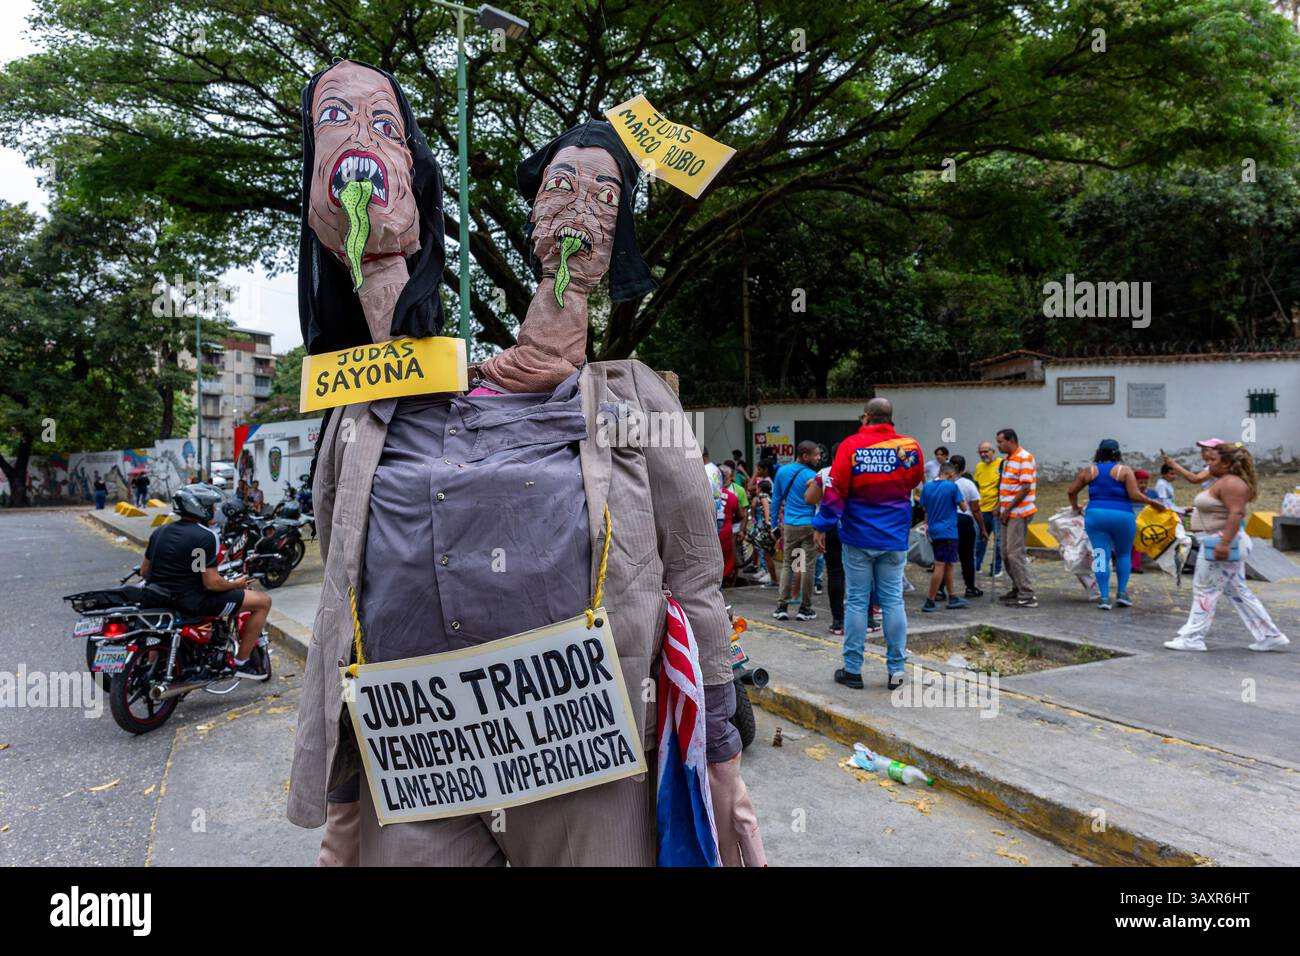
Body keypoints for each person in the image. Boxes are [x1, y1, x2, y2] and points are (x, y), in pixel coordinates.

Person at [291, 74, 760, 867]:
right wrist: (342, 788)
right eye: (334, 121)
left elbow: (694, 583)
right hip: (412, 767)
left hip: (593, 768)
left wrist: (718, 753)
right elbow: (341, 597)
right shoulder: (362, 418)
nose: (578, 207)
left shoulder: (632, 401)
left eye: (605, 195)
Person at [813, 398, 924, 691]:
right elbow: (913, 482)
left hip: (858, 537)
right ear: (890, 417)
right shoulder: (910, 447)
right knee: (893, 602)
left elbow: (835, 492)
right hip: (894, 538)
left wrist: (822, 526)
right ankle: (896, 671)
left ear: (866, 417)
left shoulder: (851, 446)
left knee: (858, 602)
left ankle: (852, 670)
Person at [1165, 445, 1289, 653]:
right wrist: (1195, 512)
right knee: (1237, 590)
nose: (1208, 463)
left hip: (1222, 543)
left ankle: (1193, 637)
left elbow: (1236, 513)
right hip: (1221, 540)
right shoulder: (1224, 482)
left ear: (1227, 464)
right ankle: (1270, 635)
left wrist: (1224, 543)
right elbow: (1221, 510)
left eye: (1213, 460)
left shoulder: (1232, 484)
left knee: (1205, 589)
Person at [141, 484, 272, 676]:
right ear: (198, 507)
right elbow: (211, 582)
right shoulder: (204, 536)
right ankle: (242, 662)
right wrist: (236, 584)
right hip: (193, 603)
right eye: (211, 506)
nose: (214, 511)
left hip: (157, 599)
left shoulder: (160, 532)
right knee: (263, 602)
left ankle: (152, 668)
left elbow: (145, 571)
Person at [1066, 440, 1166, 610]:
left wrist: (1075, 507)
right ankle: (1121, 594)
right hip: (1123, 516)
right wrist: (1152, 502)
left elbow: (1071, 491)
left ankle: (1104, 597)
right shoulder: (1124, 470)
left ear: (1099, 452)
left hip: (1096, 516)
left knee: (1100, 555)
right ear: (1117, 453)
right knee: (1124, 555)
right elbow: (1134, 495)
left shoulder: (1089, 471)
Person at [772, 441, 821, 621]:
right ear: (805, 456)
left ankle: (781, 607)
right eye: (815, 455)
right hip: (810, 525)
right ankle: (805, 609)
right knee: (808, 566)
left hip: (790, 524)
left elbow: (776, 499)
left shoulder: (782, 472)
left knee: (788, 564)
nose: (818, 458)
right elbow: (818, 502)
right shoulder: (813, 476)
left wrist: (774, 524)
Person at [919, 463, 974, 612]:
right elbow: (963, 507)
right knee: (940, 565)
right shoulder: (951, 487)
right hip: (948, 530)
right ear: (950, 474)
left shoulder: (927, 487)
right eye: (954, 477)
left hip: (934, 529)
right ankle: (930, 599)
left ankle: (953, 596)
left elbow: (924, 508)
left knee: (949, 564)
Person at [805, 444, 846, 636]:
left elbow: (810, 498)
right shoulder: (858, 470)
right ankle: (869, 619)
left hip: (828, 528)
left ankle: (838, 621)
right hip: (855, 528)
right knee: (862, 573)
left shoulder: (824, 472)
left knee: (835, 572)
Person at [995, 428, 1038, 608]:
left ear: (1011, 440)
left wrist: (1008, 508)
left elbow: (1025, 487)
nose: (998, 445)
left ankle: (1027, 593)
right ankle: (1017, 586)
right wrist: (999, 506)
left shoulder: (1024, 458)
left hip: (1019, 512)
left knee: (1014, 553)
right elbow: (1007, 487)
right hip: (1008, 511)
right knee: (1005, 553)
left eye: (1001, 442)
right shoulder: (1007, 461)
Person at [949, 454, 988, 597]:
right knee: (967, 556)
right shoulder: (968, 484)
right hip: (964, 521)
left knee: (943, 558)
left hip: (946, 521)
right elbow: (976, 509)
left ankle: (940, 590)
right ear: (963, 468)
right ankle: (970, 587)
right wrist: (983, 529)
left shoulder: (938, 482)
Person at [973, 441, 1004, 578]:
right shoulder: (979, 466)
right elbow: (976, 486)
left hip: (997, 509)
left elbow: (1005, 488)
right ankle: (976, 565)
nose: (983, 454)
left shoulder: (1002, 464)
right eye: (980, 452)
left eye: (986, 451)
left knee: (998, 541)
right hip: (982, 508)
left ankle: (996, 568)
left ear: (993, 451)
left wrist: (999, 505)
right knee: (980, 539)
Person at [751, 478, 778, 586]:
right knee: (767, 554)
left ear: (760, 489)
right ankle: (772, 578)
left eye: (757, 487)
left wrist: (767, 520)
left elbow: (766, 507)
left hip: (767, 528)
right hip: (770, 528)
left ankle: (773, 579)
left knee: (767, 555)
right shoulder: (769, 496)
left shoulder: (763, 496)